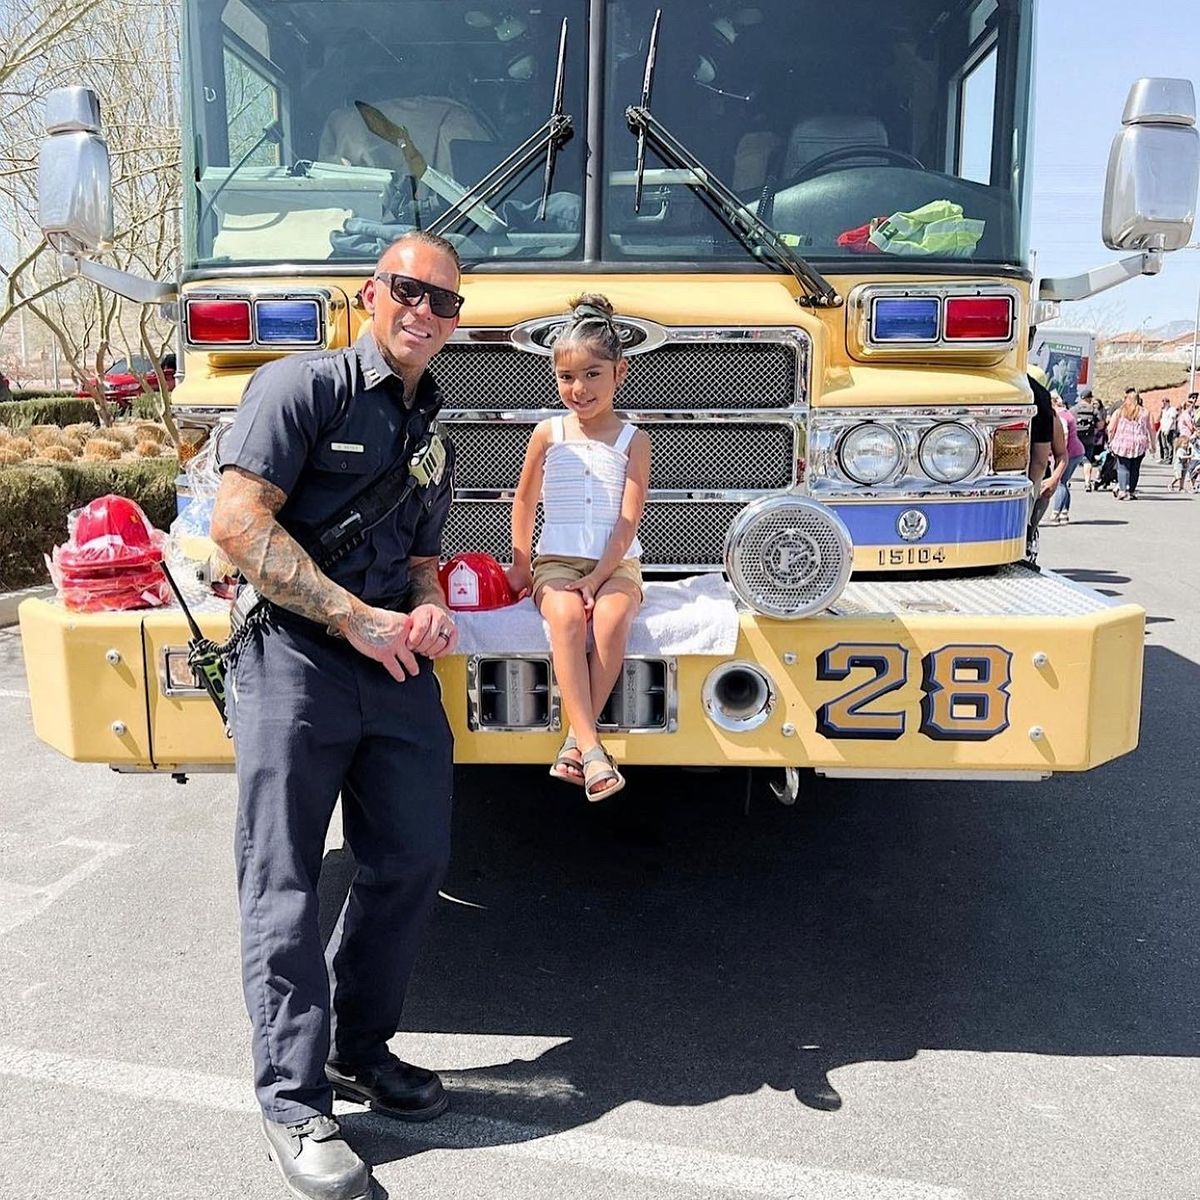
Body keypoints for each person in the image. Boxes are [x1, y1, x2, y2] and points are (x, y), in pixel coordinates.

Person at [209, 231, 465, 1200]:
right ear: (372, 294)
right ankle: (292, 1097)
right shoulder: (301, 388)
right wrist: (352, 618)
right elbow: (238, 523)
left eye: (445, 303)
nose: (426, 314)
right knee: (282, 882)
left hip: (394, 663)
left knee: (413, 858)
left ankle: (361, 1047)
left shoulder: (436, 423)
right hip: (294, 661)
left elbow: (424, 559)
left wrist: (429, 601)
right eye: (410, 291)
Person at [506, 294, 651, 800]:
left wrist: (597, 578)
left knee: (610, 619)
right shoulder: (547, 433)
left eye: (593, 374)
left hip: (618, 563)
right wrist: (522, 565)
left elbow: (628, 519)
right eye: (567, 376)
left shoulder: (634, 439)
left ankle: (576, 741)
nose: (579, 388)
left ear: (619, 372)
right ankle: (592, 747)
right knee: (566, 619)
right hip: (557, 560)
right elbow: (523, 502)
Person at [1026, 364, 1067, 560]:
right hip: (1025, 481)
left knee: (1028, 530)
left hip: (1040, 484)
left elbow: (1062, 454)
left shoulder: (1051, 418)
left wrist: (1054, 480)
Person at [1106, 386, 1153, 500]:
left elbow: (1111, 428)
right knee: (1135, 468)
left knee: (1123, 467)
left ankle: (1122, 490)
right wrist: (1153, 444)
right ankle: (1131, 491)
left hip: (1122, 442)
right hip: (1139, 443)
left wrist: (1110, 440)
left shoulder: (1119, 411)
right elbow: (1151, 429)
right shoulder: (1145, 412)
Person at [1049, 391, 1086, 524]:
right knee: (1065, 481)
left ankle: (1056, 512)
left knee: (1059, 482)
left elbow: (1063, 438)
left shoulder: (1059, 416)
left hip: (1069, 452)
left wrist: (1057, 456)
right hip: (1077, 451)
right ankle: (1064, 512)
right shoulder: (1067, 412)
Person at [1074, 387, 1105, 491]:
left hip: (1075, 438)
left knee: (1071, 460)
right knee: (1087, 460)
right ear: (1089, 398)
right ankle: (1087, 483)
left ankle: (1067, 480)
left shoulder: (1074, 409)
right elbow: (1101, 425)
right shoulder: (1093, 410)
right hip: (1089, 438)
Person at [1158, 397, 1177, 462]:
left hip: (1169, 429)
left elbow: (1172, 420)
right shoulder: (1163, 411)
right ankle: (1165, 457)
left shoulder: (1172, 410)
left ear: (1168, 403)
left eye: (1165, 402)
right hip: (1163, 429)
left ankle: (1170, 458)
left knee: (1169, 444)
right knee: (1164, 444)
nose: (1163, 404)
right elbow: (1161, 420)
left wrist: (1168, 429)